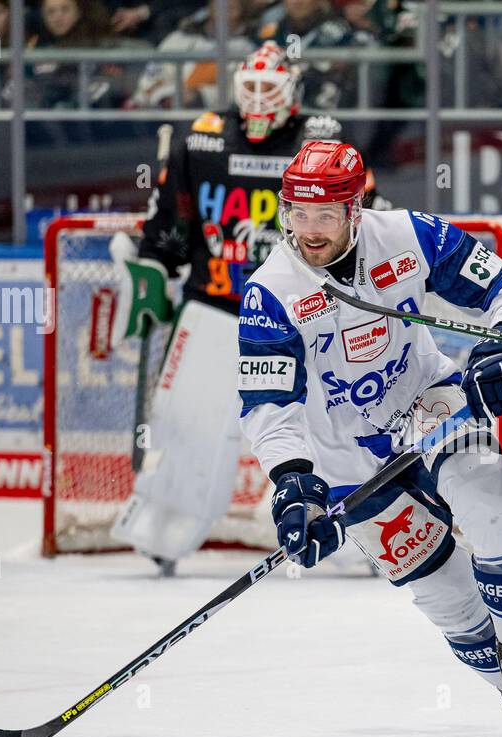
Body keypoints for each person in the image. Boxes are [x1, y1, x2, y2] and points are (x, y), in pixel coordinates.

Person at [234, 139, 502, 737]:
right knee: (449, 599)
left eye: (326, 215)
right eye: (297, 215)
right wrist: (294, 486)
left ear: (356, 210)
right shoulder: (270, 291)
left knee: (491, 497)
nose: (309, 231)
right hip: (345, 458)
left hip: (425, 405)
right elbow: (268, 405)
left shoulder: (411, 235)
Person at [106, 42, 344, 573]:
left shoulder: (321, 141)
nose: (259, 100)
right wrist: (154, 266)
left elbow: (356, 216)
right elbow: (172, 216)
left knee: (327, 420)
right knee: (185, 422)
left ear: (292, 92)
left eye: (269, 88)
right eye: (251, 88)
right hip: (212, 305)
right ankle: (168, 515)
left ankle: (341, 520)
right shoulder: (202, 136)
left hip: (294, 314)